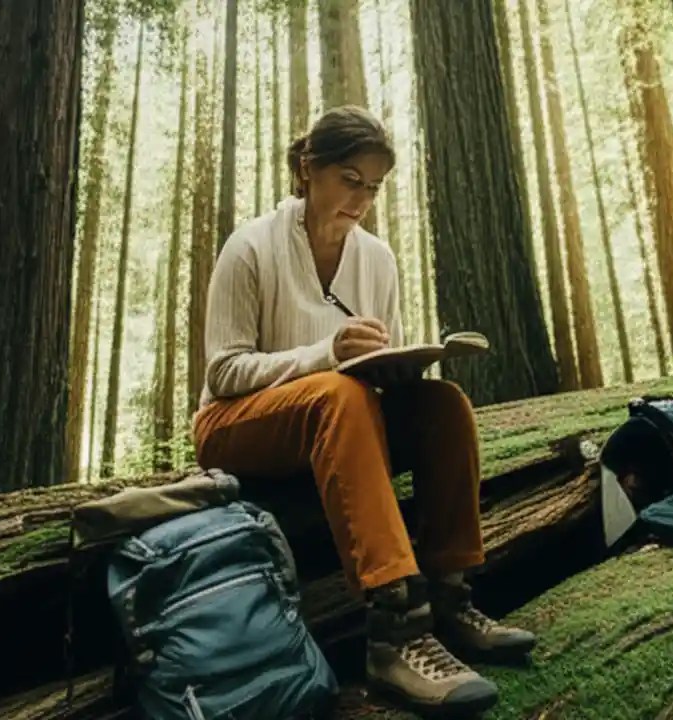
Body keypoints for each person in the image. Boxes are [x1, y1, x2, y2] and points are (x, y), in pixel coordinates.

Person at [191, 105, 535, 717]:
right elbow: (223, 372)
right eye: (350, 179)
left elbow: (382, 367)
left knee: (443, 405)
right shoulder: (250, 248)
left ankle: (451, 597)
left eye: (373, 187)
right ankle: (395, 632)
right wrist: (325, 354)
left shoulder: (377, 259)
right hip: (234, 427)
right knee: (339, 392)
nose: (361, 199)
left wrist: (402, 372)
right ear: (308, 169)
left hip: (338, 421)